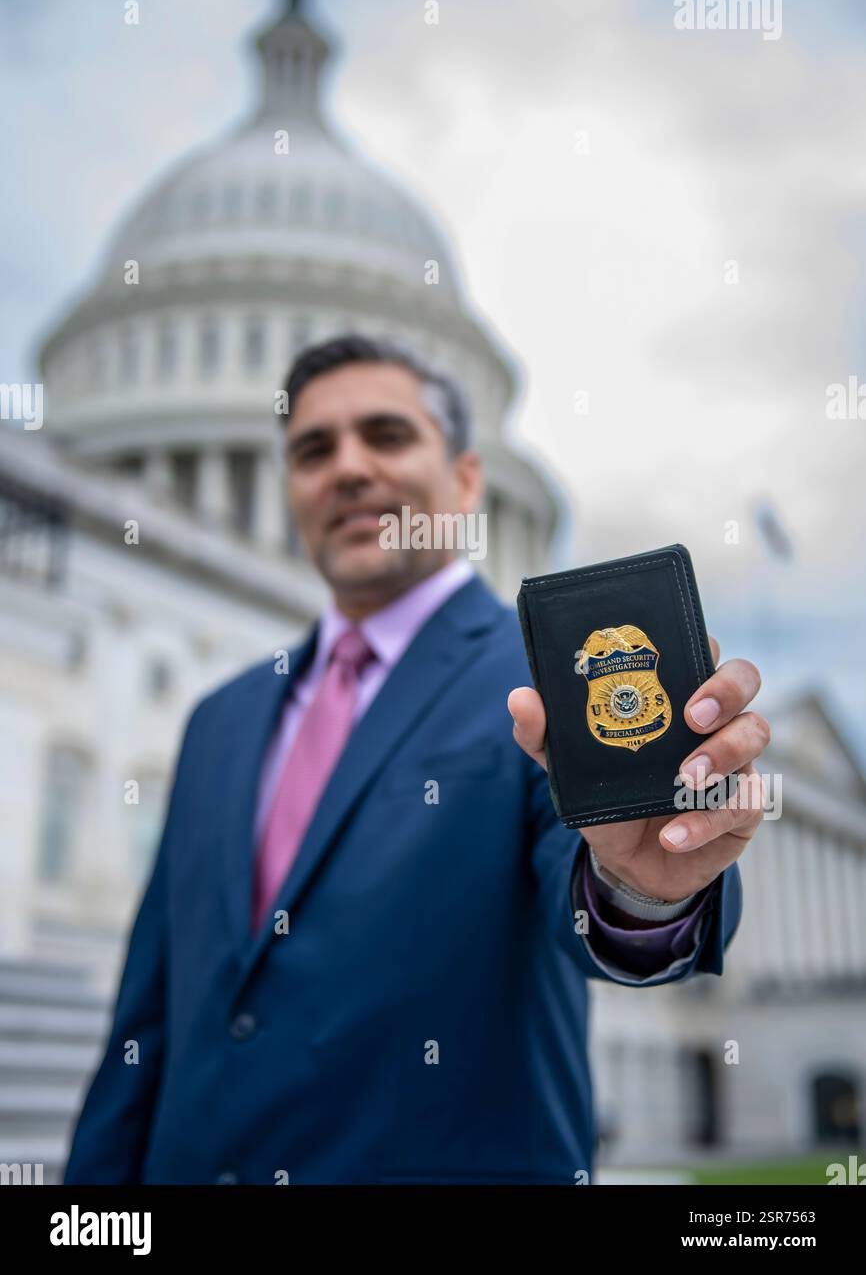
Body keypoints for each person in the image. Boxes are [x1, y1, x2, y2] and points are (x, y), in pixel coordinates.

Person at [63, 334, 769, 1185]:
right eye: (313, 450)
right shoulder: (221, 718)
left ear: (467, 481)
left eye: (387, 435)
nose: (349, 469)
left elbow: (586, 897)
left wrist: (642, 889)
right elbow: (147, 1017)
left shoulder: (543, 682)